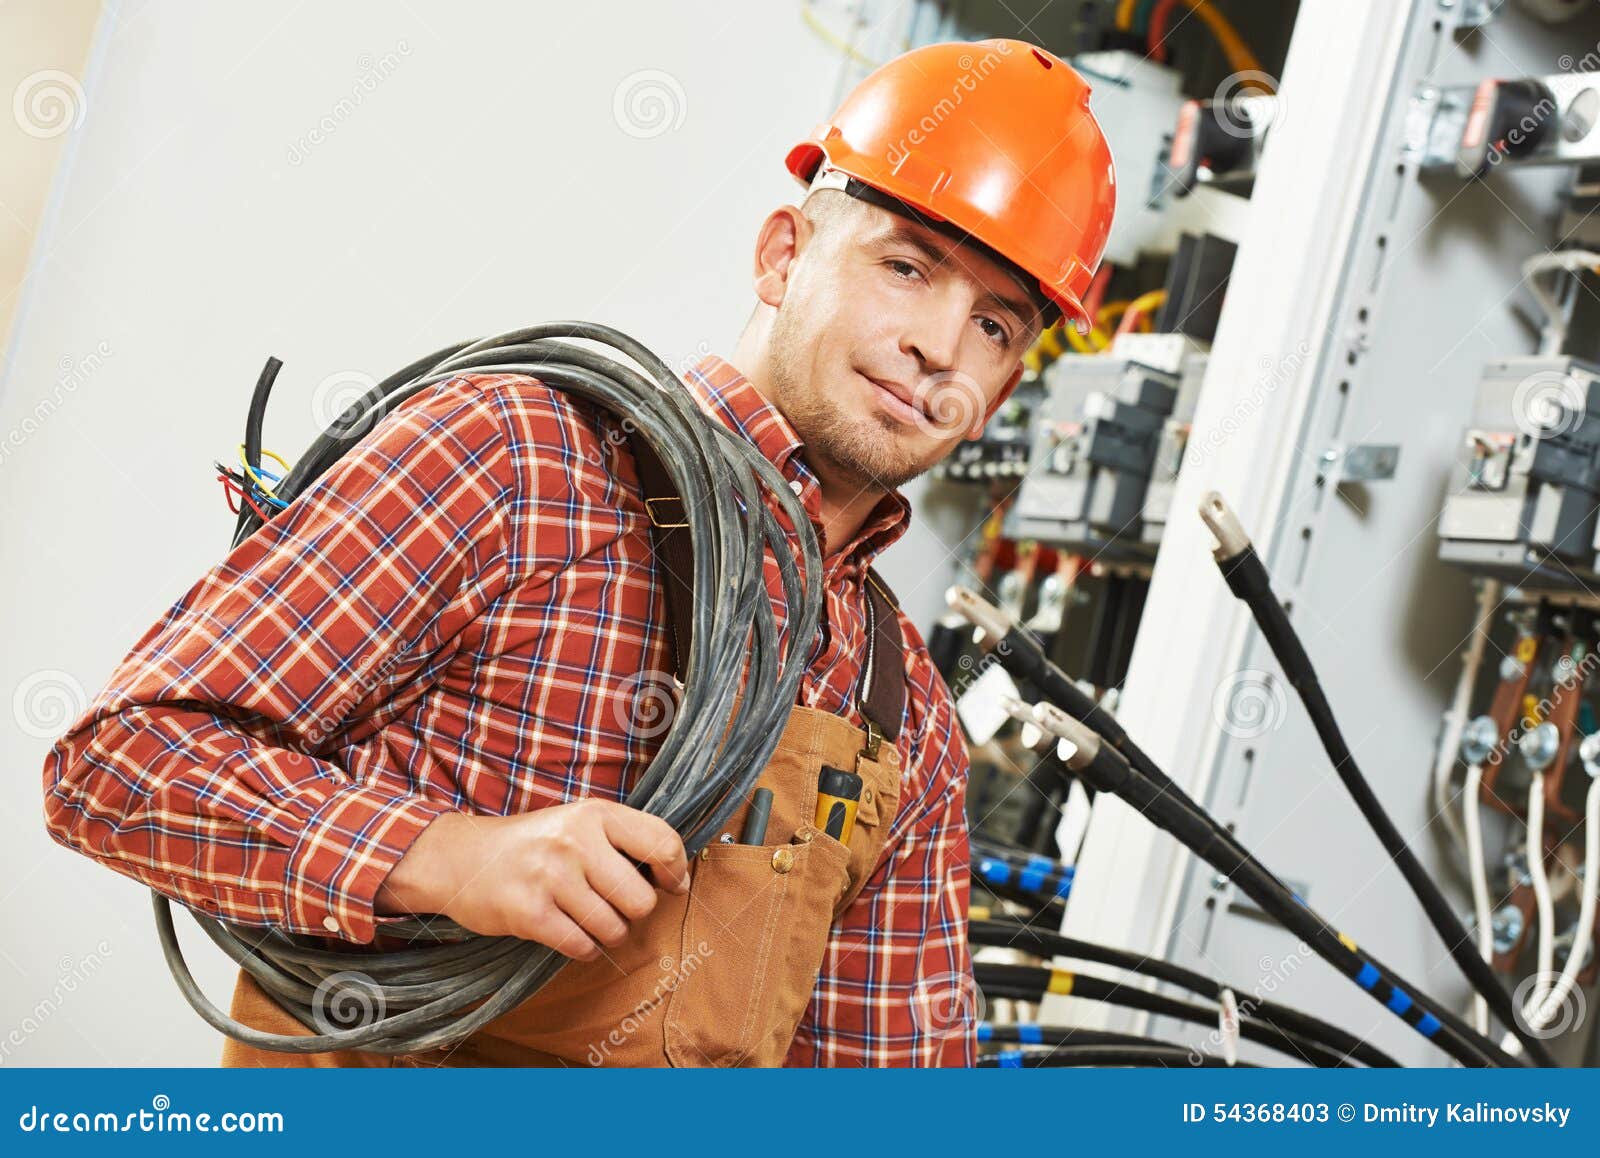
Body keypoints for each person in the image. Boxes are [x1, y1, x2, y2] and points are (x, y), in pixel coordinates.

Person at [41, 37, 1115, 1067]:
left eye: (995, 326)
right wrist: (442, 859)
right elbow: (117, 764)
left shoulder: (907, 716)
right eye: (907, 267)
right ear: (783, 255)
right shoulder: (518, 463)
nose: (938, 345)